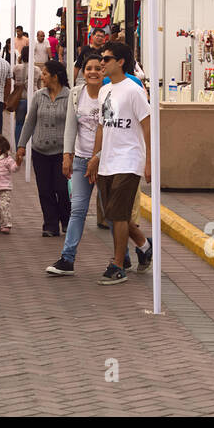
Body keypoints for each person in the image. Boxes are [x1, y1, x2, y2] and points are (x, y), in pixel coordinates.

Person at [87, 41, 154, 285]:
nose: (101, 63)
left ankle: (117, 264)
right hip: (107, 160)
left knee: (119, 213)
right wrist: (95, 157)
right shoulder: (105, 90)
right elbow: (103, 126)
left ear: (121, 62)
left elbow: (148, 125)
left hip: (129, 159)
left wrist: (149, 162)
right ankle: (145, 246)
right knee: (115, 215)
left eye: (106, 59)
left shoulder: (133, 90)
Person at [47, 50, 106, 275]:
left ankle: (128, 255)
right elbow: (71, 127)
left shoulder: (109, 94)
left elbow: (110, 131)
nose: (93, 72)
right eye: (88, 69)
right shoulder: (76, 94)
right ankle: (67, 258)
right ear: (82, 72)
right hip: (82, 160)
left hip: (106, 162)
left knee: (112, 213)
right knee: (78, 209)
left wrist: (98, 158)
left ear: (104, 70)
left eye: (97, 68)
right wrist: (67, 155)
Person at [16, 59, 72, 236]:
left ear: (55, 76)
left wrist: (71, 152)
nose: (42, 76)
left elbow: (74, 125)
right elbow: (30, 121)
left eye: (45, 73)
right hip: (40, 151)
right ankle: (50, 225)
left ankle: (66, 220)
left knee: (62, 189)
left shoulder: (70, 96)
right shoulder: (39, 95)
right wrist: (21, 145)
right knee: (45, 190)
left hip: (61, 152)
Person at [9, 45, 30, 146]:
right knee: (33, 124)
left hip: (20, 98)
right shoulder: (37, 69)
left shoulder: (16, 68)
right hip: (32, 99)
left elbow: (12, 77)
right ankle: (32, 147)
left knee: (19, 124)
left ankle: (19, 146)